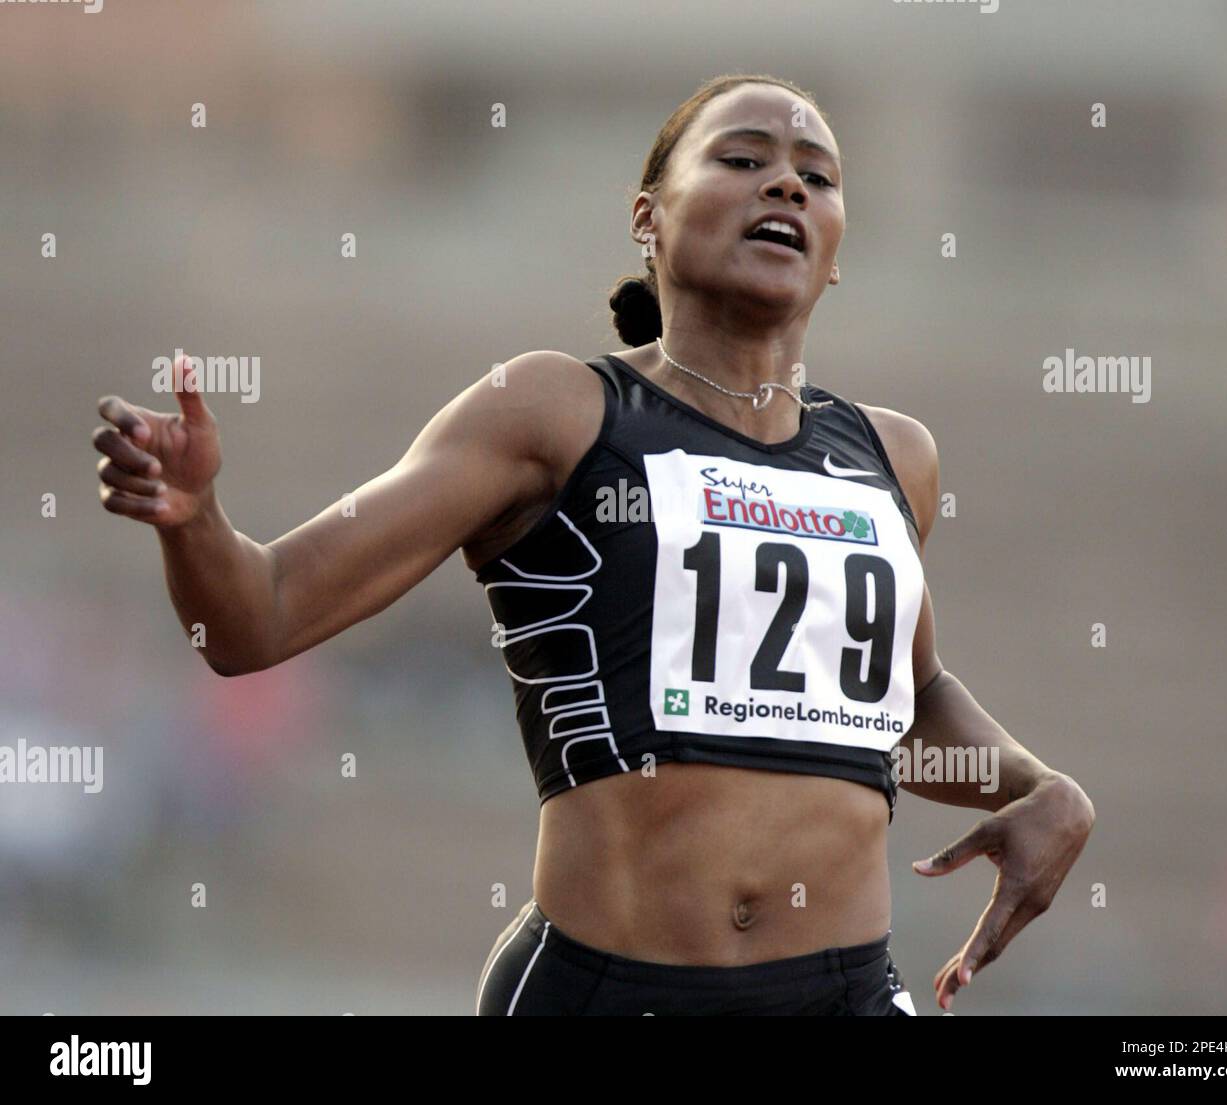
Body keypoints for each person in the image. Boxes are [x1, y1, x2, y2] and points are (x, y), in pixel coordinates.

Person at [92, 73, 1094, 1016]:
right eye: (741, 159)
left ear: (835, 247)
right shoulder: (555, 411)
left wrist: (1036, 787)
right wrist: (196, 520)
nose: (786, 179)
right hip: (612, 988)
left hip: (842, 991)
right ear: (646, 215)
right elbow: (255, 616)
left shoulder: (892, 456)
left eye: (816, 174)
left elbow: (901, 708)